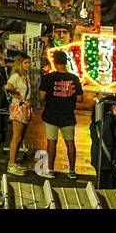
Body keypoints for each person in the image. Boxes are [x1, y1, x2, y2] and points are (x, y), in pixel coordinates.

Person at [39, 50, 84, 178]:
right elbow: (80, 99)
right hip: (68, 115)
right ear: (65, 62)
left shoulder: (48, 78)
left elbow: (42, 96)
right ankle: (72, 171)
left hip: (51, 114)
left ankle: (51, 169)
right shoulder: (74, 78)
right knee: (70, 143)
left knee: (51, 142)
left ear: (54, 61)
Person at [5, 55, 32, 175]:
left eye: (29, 63)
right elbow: (8, 86)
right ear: (20, 64)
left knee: (20, 137)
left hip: (25, 108)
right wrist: (16, 94)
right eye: (26, 63)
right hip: (19, 108)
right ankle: (11, 163)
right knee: (16, 137)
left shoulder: (25, 76)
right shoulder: (16, 76)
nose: (28, 65)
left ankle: (14, 161)